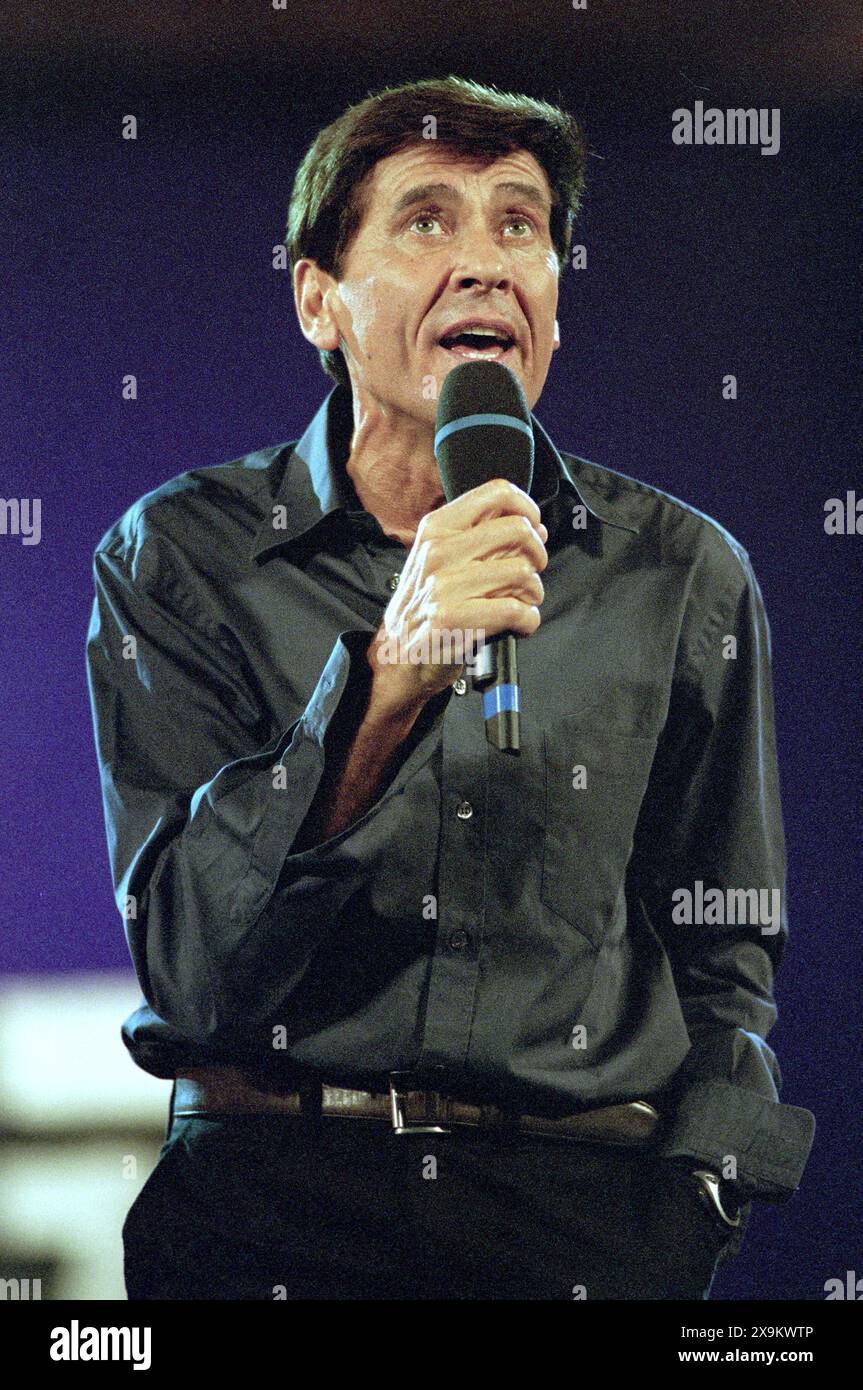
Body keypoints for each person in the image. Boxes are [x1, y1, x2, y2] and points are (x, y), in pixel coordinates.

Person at [86, 75, 815, 1301]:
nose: (484, 263)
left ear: (552, 305)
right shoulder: (178, 555)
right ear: (319, 299)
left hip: (578, 1224)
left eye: (519, 224)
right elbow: (193, 962)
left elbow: (721, 945)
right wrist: (386, 683)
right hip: (272, 1203)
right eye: (427, 220)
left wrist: (693, 1202)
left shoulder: (680, 570)